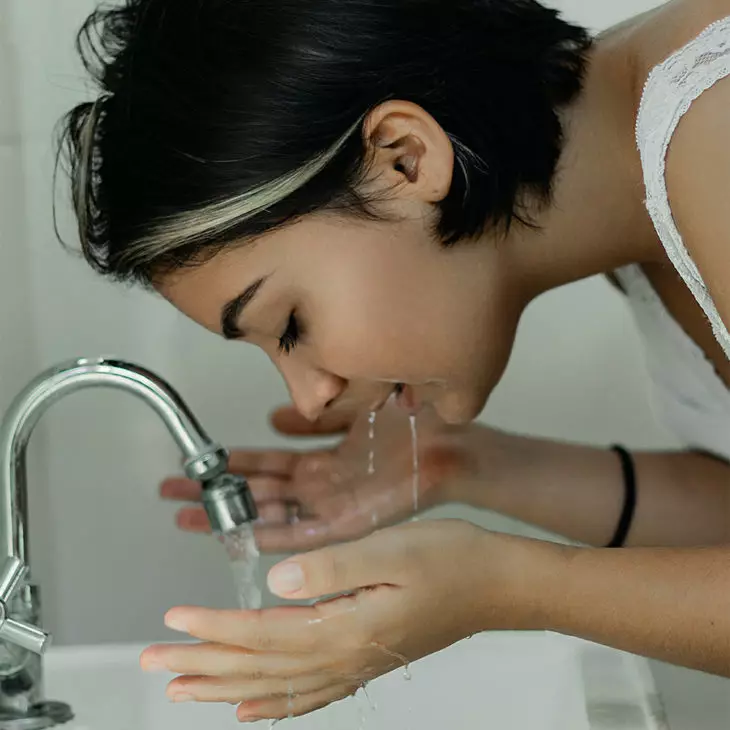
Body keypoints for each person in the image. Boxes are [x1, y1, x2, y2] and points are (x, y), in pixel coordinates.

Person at [59, 0, 730, 721]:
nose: (313, 397)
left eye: (290, 324)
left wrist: (510, 585)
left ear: (405, 159)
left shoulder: (715, 125)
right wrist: (464, 464)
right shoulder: (635, 178)